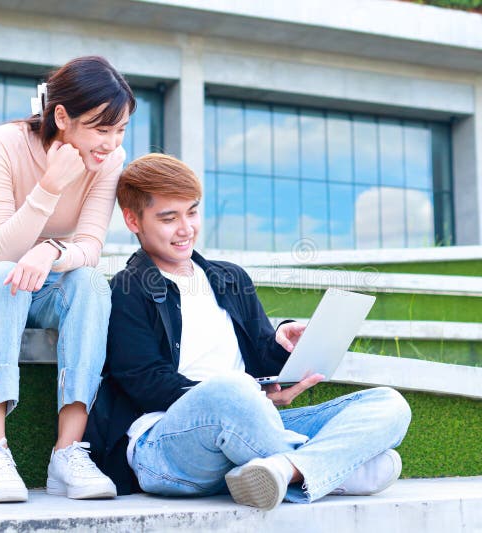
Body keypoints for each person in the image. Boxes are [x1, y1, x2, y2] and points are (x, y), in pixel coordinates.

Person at [86, 153, 412, 509]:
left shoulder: (230, 278)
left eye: (192, 212)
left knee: (388, 403)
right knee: (378, 464)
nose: (186, 229)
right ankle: (326, 469)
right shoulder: (128, 289)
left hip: (252, 422)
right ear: (133, 220)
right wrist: (248, 393)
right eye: (169, 218)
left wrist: (281, 343)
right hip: (165, 446)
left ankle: (280, 471)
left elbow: (258, 356)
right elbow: (146, 383)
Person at [0, 56, 134, 503]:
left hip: (54, 273)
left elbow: (89, 245)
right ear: (62, 116)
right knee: (4, 277)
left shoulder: (110, 160)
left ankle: (68, 454)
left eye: (120, 130)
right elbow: (0, 252)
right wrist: (51, 185)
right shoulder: (2, 142)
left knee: (91, 282)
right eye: (99, 128)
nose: (110, 144)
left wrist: (51, 250)